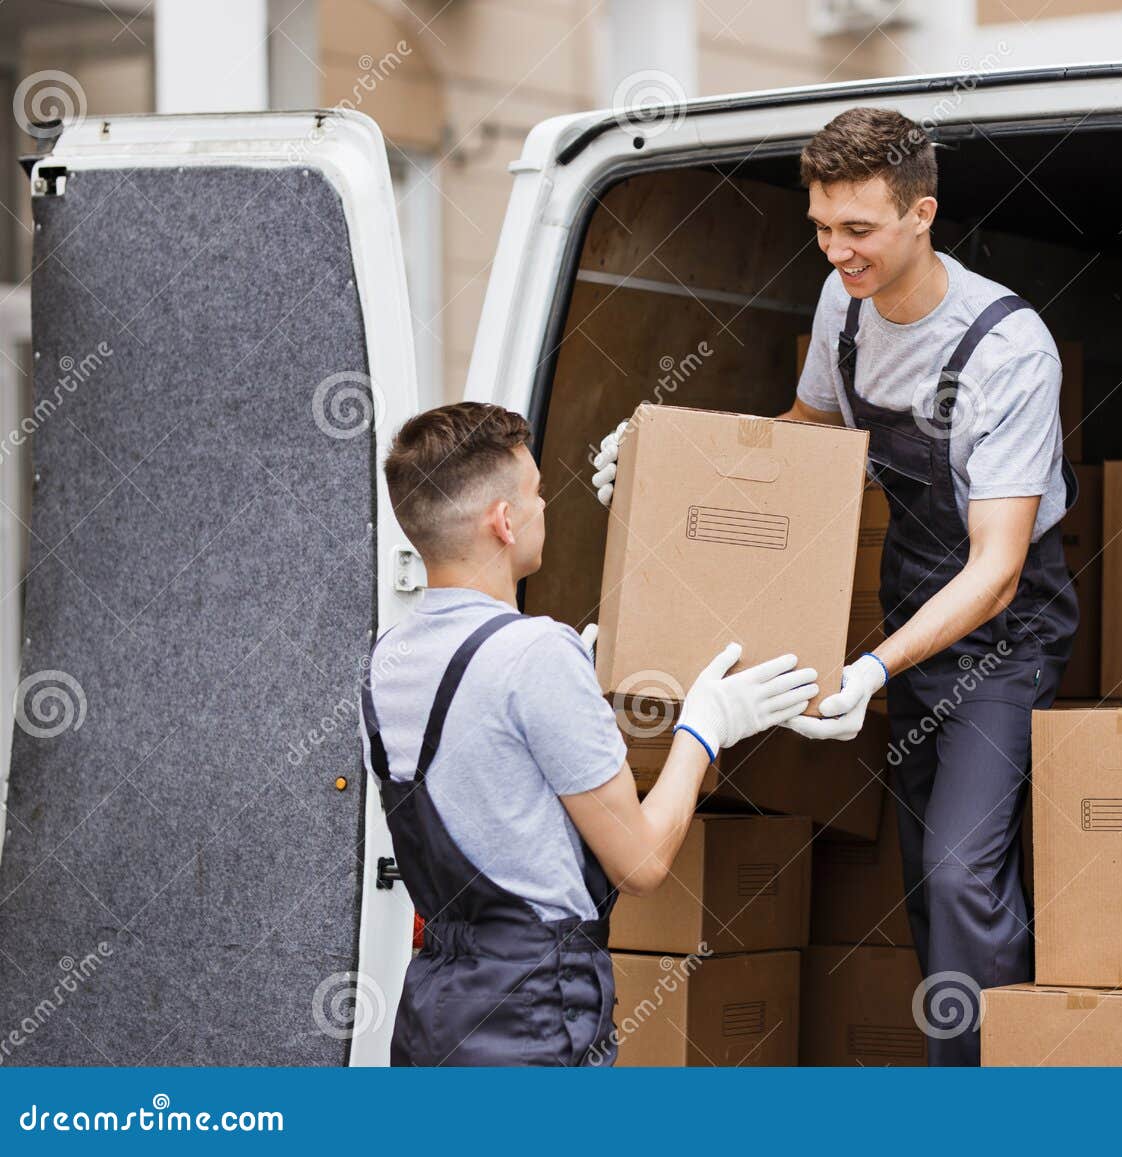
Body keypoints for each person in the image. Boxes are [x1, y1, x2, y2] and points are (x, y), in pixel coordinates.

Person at [591, 107, 1077, 1066]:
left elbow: (999, 564)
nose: (834, 250)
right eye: (821, 226)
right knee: (922, 873)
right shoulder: (841, 307)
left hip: (1003, 636)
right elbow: (808, 434)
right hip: (908, 607)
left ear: (922, 212)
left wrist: (869, 673)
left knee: (957, 875)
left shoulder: (1009, 350)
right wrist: (664, 465)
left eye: (857, 230)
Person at [361, 402, 816, 1066]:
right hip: (535, 1020)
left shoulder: (385, 662)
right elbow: (641, 862)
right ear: (504, 520)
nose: (545, 507)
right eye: (538, 494)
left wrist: (574, 700)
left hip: (435, 1014)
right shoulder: (537, 656)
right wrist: (703, 728)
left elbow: (496, 796)